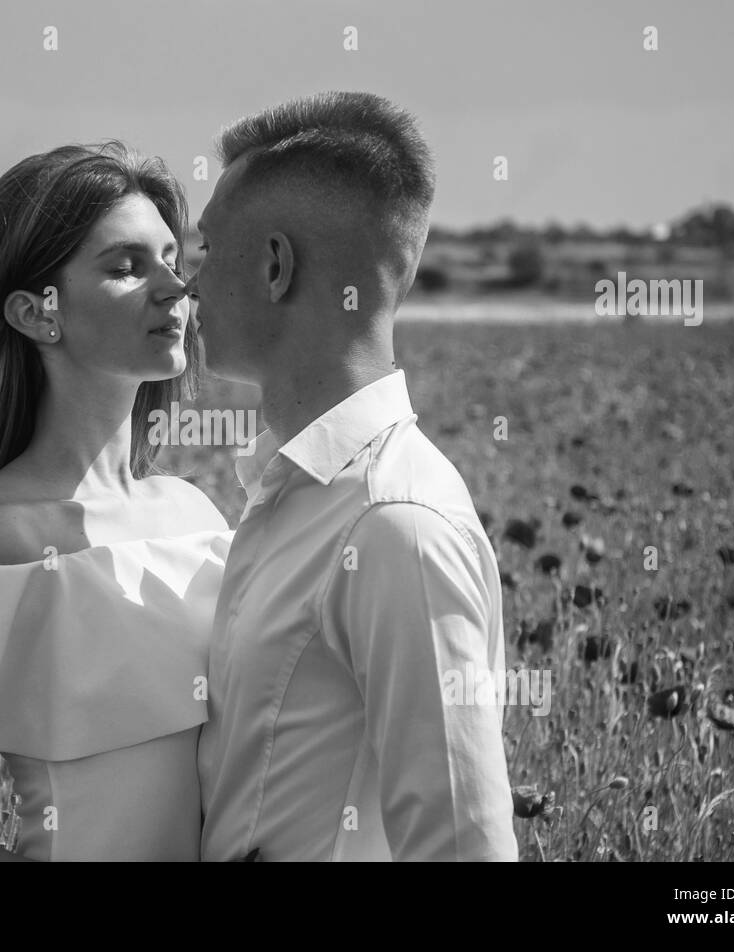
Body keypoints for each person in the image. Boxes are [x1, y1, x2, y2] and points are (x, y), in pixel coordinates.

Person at [0, 141, 232, 861]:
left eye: (173, 259)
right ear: (36, 313)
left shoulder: (198, 516)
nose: (174, 288)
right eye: (125, 267)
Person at [186, 91, 519, 861]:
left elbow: (462, 847)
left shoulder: (394, 526)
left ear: (275, 265)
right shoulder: (293, 492)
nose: (189, 284)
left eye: (206, 250)